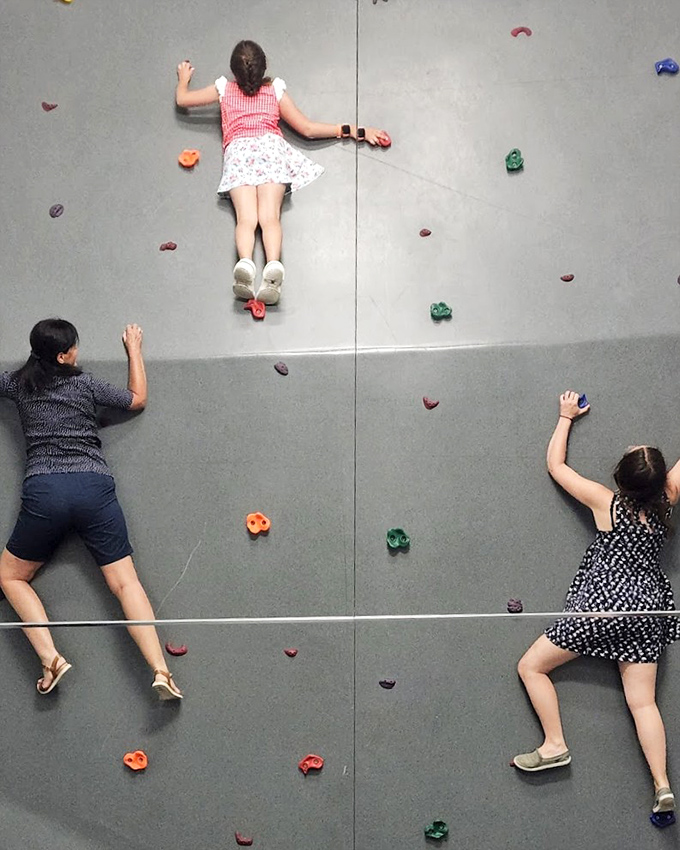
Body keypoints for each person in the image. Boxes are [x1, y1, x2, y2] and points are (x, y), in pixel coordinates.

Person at [513, 391, 680, 815]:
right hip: (647, 611)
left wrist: (565, 417)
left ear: (620, 480)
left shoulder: (606, 502)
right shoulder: (667, 500)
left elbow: (556, 466)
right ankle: (662, 785)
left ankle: (555, 745)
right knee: (643, 702)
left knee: (530, 666)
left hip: (603, 607)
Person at [0, 319, 182, 700]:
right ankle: (161, 670)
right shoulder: (85, 384)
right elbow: (137, 399)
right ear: (64, 356)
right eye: (74, 347)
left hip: (45, 490)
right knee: (126, 583)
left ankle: (50, 658)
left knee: (11, 578)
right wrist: (134, 349)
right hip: (92, 487)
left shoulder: (18, 384)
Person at [175, 39, 390, 305]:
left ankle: (245, 262)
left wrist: (183, 79)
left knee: (246, 220)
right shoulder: (275, 90)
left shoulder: (223, 89)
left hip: (239, 154)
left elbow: (182, 100)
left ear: (235, 74)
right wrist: (358, 131)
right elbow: (308, 129)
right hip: (271, 153)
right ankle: (273, 265)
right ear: (264, 69)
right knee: (269, 218)